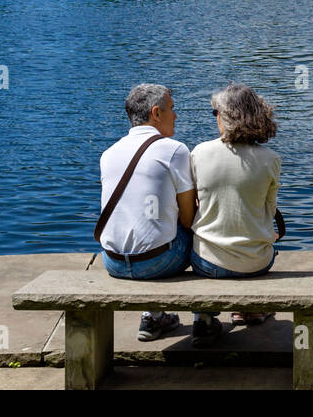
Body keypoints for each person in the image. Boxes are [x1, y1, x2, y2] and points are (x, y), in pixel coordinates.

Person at [187, 82, 285, 346]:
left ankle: (205, 320)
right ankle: (249, 310)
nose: (215, 118)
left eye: (215, 112)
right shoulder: (271, 159)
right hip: (257, 262)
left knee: (194, 237)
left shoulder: (199, 153)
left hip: (208, 264)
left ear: (227, 116)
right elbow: (269, 209)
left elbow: (194, 205)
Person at [97, 83, 197, 341]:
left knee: (148, 227)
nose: (176, 115)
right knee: (203, 235)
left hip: (113, 261)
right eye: (172, 109)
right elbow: (188, 219)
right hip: (158, 262)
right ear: (156, 113)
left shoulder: (108, 154)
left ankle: (152, 317)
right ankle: (204, 319)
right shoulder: (175, 150)